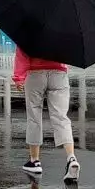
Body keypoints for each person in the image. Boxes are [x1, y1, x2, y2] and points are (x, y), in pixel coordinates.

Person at [13, 45, 78, 180]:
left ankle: (35, 161)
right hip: (59, 73)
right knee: (61, 117)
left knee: (34, 116)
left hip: (35, 74)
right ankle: (71, 157)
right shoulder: (64, 29)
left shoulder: (29, 28)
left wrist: (19, 77)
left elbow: (22, 53)